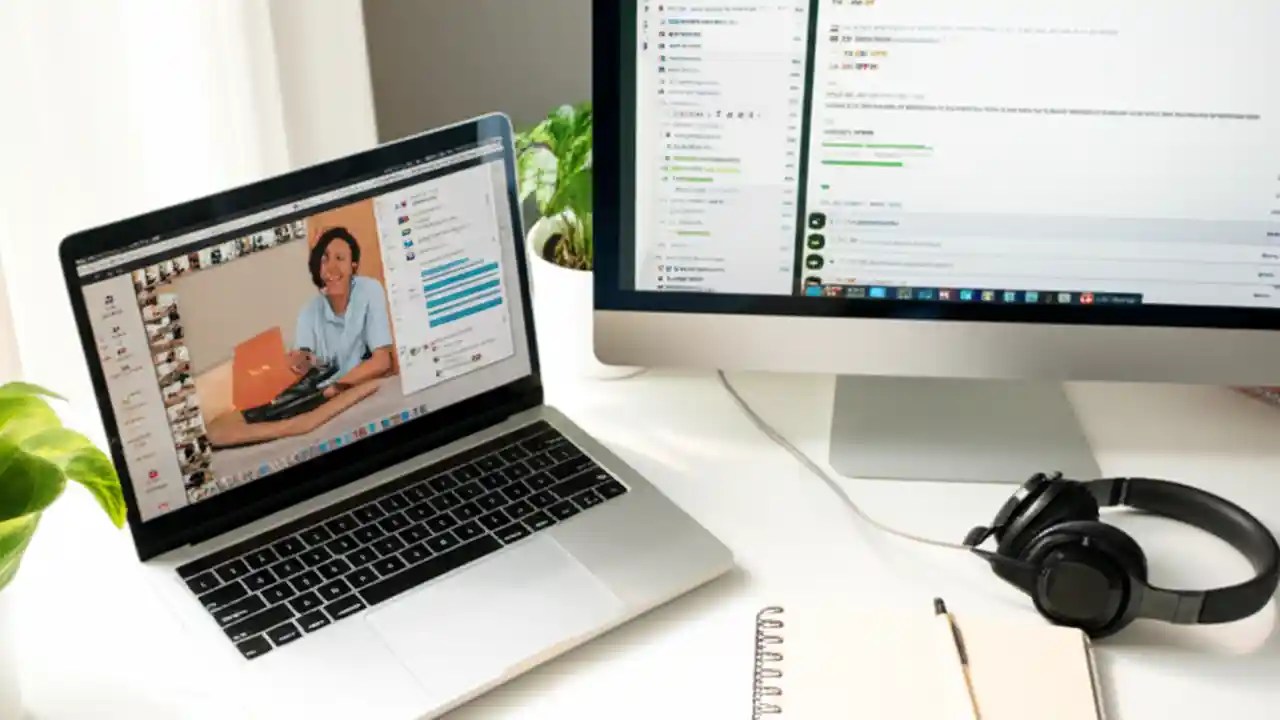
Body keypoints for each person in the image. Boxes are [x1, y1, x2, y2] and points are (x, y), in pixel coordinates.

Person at [289, 226, 394, 399]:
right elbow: (304, 365)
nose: (331, 268)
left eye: (340, 258)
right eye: (324, 260)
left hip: (366, 390)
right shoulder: (308, 313)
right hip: (326, 400)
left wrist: (338, 386)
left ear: (353, 265)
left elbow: (382, 361)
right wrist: (299, 362)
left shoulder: (369, 290)